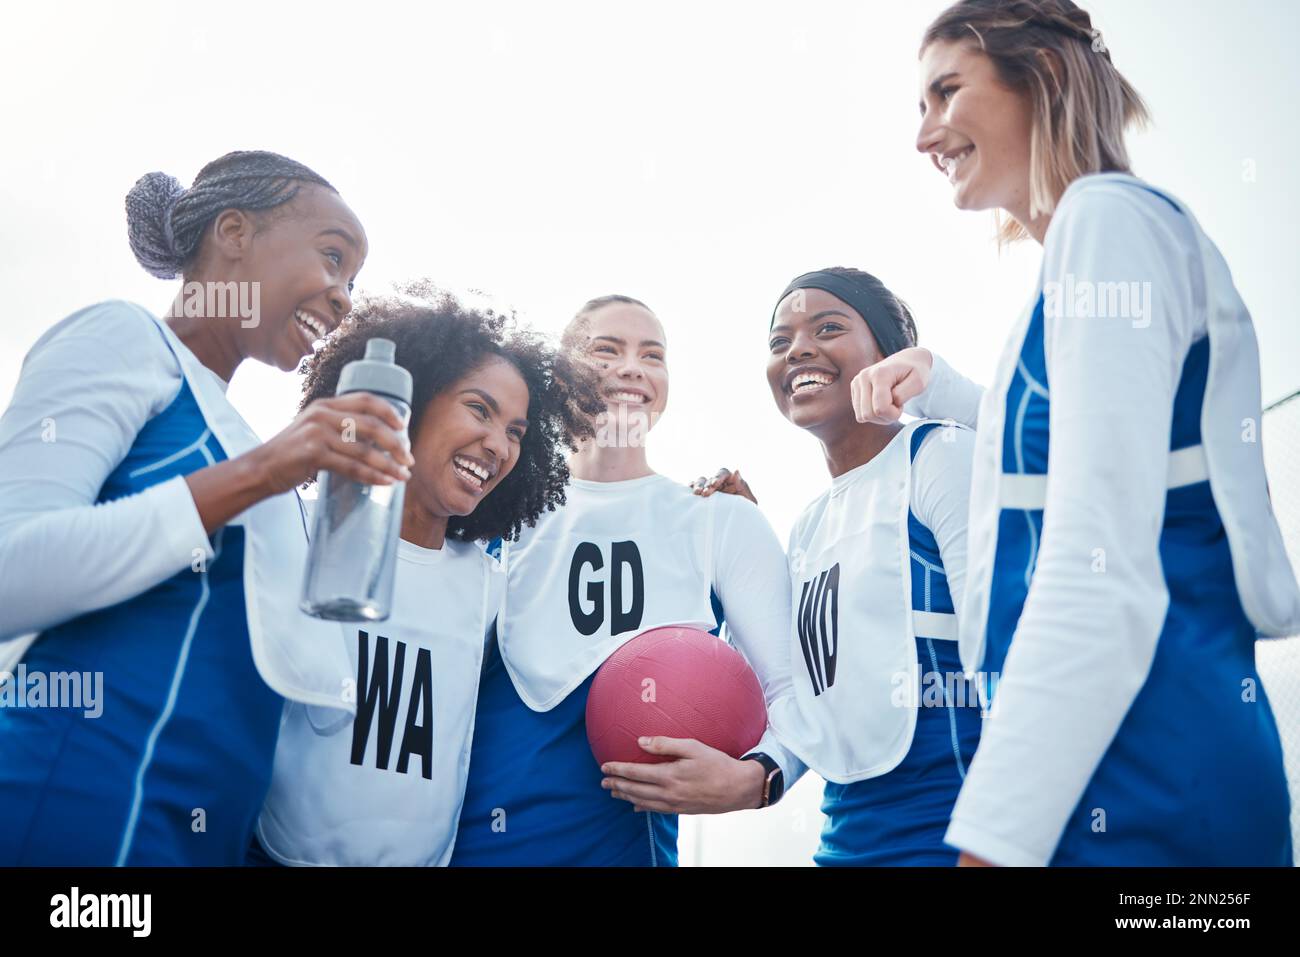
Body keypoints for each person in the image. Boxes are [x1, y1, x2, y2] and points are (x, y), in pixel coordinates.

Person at [855, 0, 1299, 865]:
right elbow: (1086, 455)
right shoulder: (1095, 249)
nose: (925, 135)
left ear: (1045, 77)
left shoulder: (1108, 224)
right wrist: (944, 387)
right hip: (1125, 761)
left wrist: (991, 839)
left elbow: (1098, 565)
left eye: (946, 93)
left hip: (1147, 778)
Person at [0, 151, 411, 865]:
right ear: (233, 233)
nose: (344, 296)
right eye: (332, 257)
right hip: (74, 813)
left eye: (353, 279)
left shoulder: (256, 452)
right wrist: (262, 470)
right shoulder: (124, 338)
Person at [252, 285, 604, 866]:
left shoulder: (490, 587)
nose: (497, 444)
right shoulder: (303, 525)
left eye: (516, 431)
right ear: (409, 400)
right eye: (479, 409)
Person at [451, 295, 805, 866]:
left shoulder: (719, 518)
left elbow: (791, 689)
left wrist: (759, 777)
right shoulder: (489, 510)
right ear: (559, 375)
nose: (632, 368)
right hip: (474, 847)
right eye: (606, 350)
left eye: (652, 354)